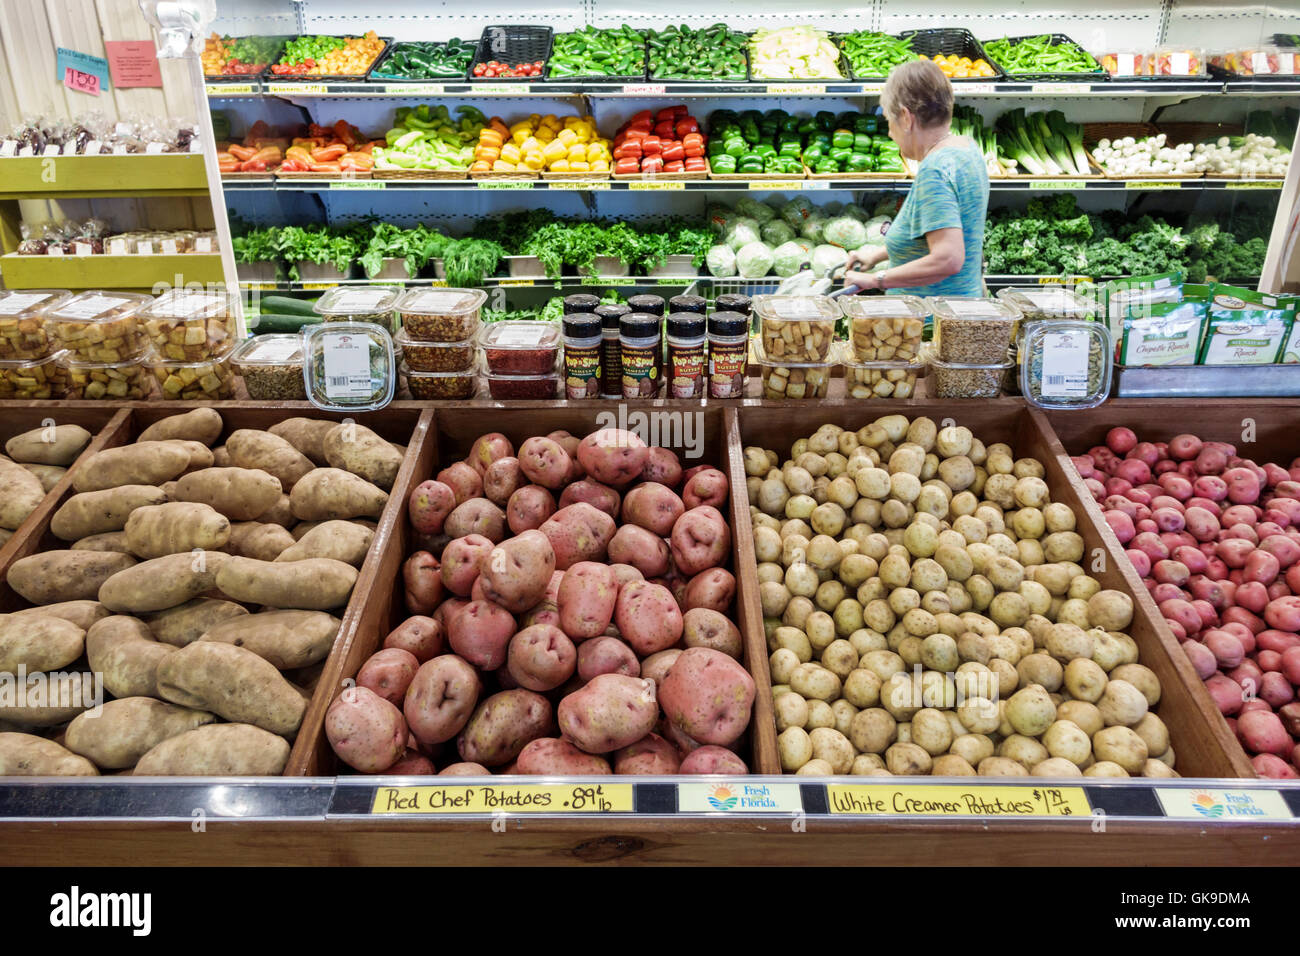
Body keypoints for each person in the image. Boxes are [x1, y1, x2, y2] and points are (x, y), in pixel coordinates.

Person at [844, 58, 989, 297]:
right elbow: (935, 233)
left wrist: (876, 280)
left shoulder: (936, 171)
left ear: (906, 117)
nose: (890, 133)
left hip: (929, 319)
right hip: (958, 307)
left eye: (889, 121)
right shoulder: (966, 149)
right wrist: (877, 255)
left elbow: (948, 259)